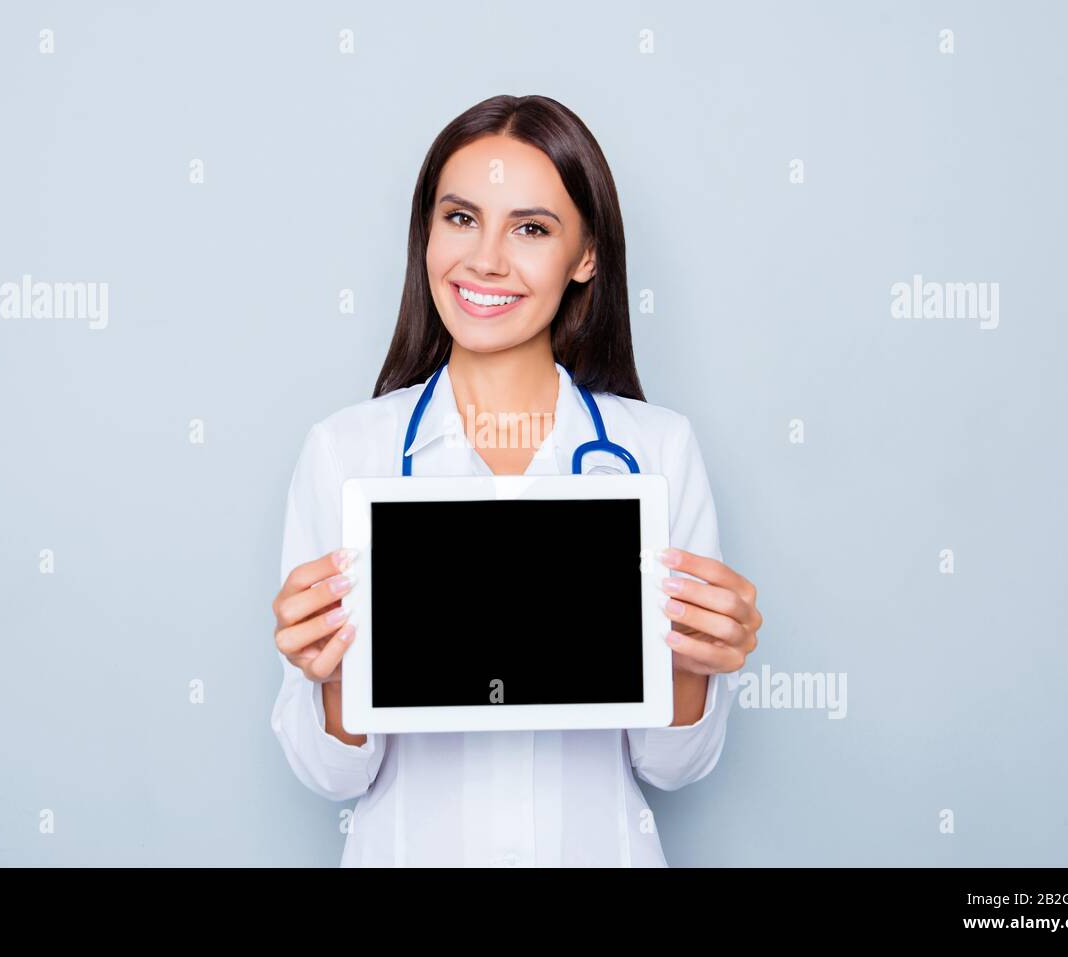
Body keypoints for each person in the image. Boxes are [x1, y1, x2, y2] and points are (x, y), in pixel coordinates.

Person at [269, 94, 762, 866]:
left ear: (586, 255)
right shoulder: (344, 452)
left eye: (531, 228)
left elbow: (674, 767)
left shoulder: (655, 451)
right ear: (426, 233)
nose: (486, 259)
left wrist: (692, 664)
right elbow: (329, 774)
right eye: (460, 218)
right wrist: (330, 679)